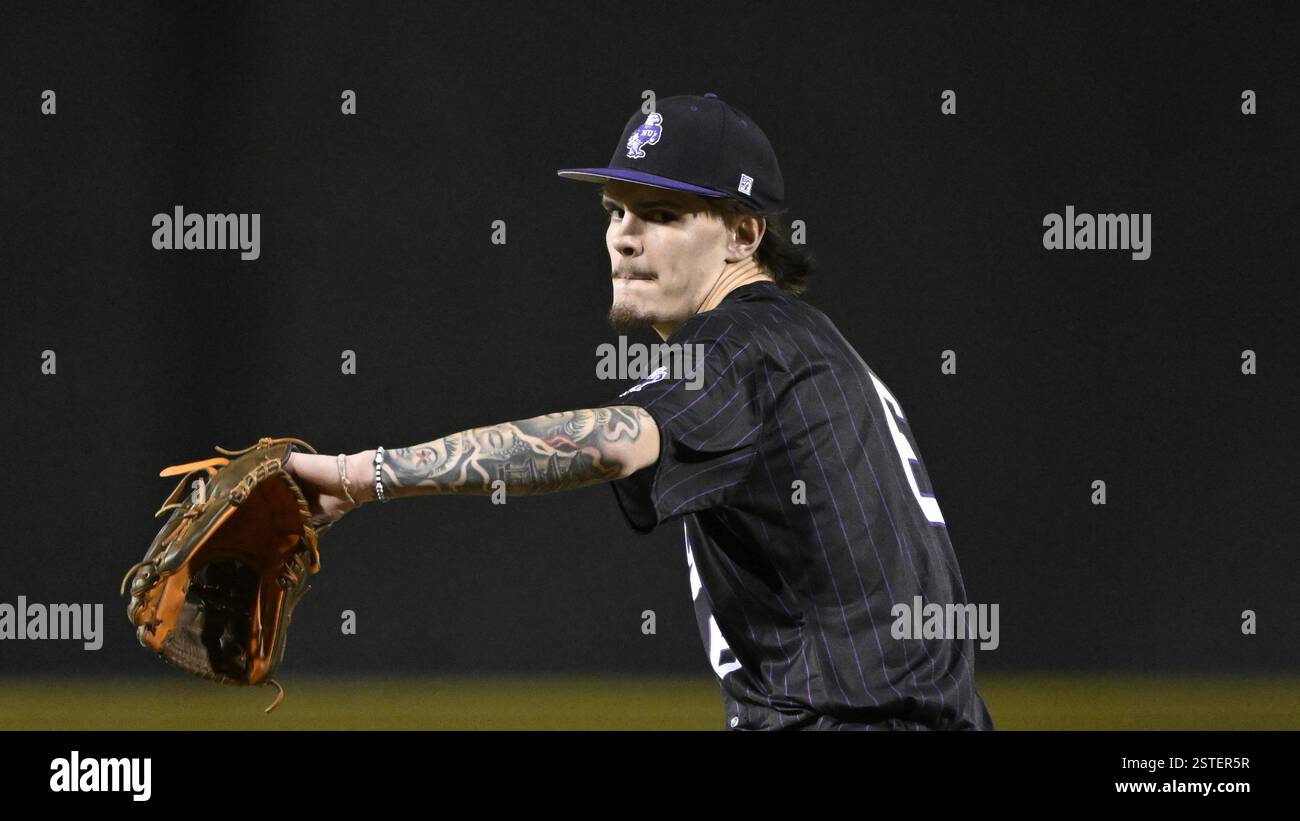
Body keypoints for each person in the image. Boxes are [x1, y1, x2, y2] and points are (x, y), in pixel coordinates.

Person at [285, 93, 994, 730]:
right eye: (617, 211)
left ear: (745, 235)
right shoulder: (805, 342)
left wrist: (357, 474)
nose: (624, 236)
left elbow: (609, 441)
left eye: (661, 214)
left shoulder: (740, 343)